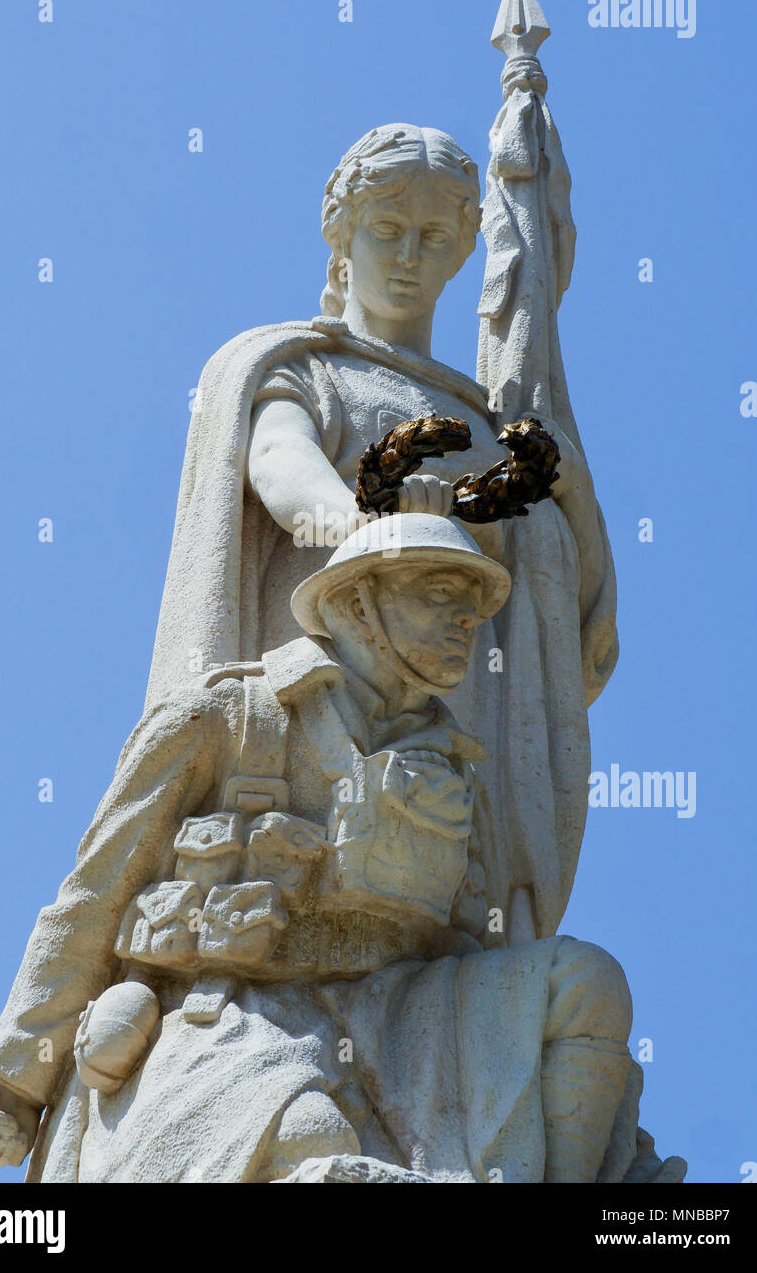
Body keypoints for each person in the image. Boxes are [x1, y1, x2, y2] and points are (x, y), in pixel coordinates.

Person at [0, 515, 634, 1184]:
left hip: (399, 1010)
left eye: (472, 606)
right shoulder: (224, 717)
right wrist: (13, 1087)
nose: (466, 621)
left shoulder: (452, 769)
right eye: (439, 595)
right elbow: (94, 898)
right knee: (312, 1139)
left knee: (580, 983)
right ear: (356, 602)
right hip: (241, 1008)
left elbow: (468, 940)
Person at [145, 123, 617, 948]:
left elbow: (553, 588)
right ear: (344, 232)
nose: (408, 256)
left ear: (464, 250)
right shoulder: (305, 365)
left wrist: (565, 498)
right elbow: (280, 460)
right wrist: (368, 531)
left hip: (455, 716)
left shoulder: (486, 423)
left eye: (434, 237)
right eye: (387, 231)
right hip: (322, 703)